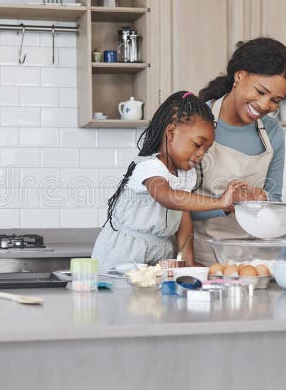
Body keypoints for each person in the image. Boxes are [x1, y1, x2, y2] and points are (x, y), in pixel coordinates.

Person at [91, 91, 254, 271]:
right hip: (124, 254)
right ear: (171, 132)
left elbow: (184, 219)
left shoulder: (186, 175)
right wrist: (219, 202)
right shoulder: (150, 167)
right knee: (121, 297)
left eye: (206, 150)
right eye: (197, 144)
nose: (201, 153)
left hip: (160, 253)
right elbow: (168, 197)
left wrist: (188, 260)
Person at [188, 37, 286, 265]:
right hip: (202, 255)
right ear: (239, 76)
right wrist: (225, 205)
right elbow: (175, 202)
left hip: (255, 256)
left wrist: (263, 199)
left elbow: (275, 199)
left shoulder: (273, 132)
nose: (264, 105)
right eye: (260, 91)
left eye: (275, 100)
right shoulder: (195, 121)